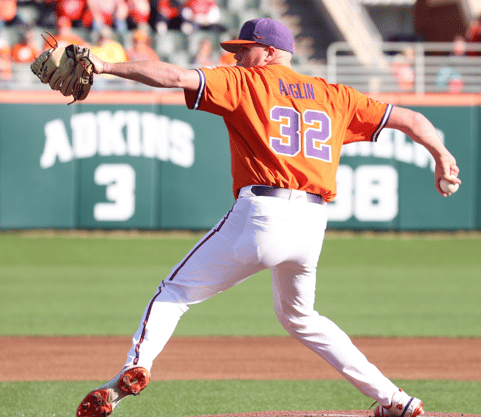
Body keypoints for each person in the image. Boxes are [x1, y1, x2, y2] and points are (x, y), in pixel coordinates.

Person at [73, 17, 459, 417]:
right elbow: (412, 120)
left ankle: (136, 366)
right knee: (300, 316)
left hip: (262, 213)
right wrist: (442, 156)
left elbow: (172, 75)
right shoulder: (334, 95)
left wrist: (104, 66)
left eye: (245, 48)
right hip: (311, 224)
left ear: (270, 52)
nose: (237, 56)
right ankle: (394, 399)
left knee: (174, 292)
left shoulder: (247, 82)